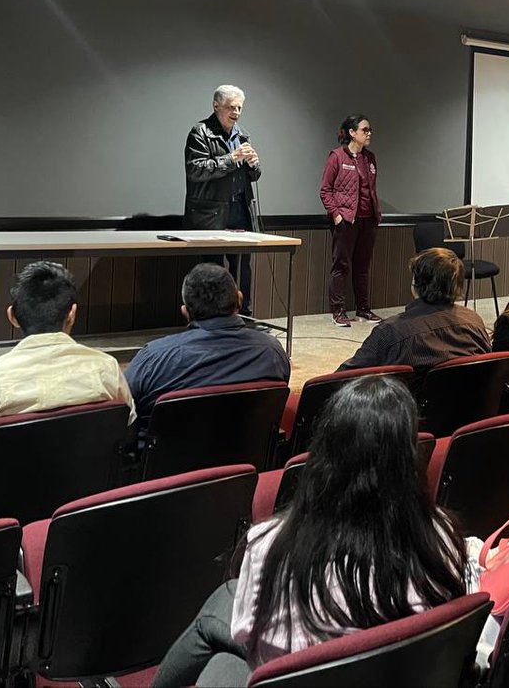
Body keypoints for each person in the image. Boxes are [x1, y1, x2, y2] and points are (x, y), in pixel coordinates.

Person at [153, 376, 481, 687]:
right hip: (388, 674)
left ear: (325, 454)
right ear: (410, 457)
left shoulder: (273, 546)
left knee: (220, 631)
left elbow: (247, 638)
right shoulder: (443, 538)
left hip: (297, 677)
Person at [0, 262, 135, 455]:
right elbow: (127, 430)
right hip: (94, 483)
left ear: (12, 316)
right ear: (72, 314)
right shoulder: (107, 370)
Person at [124, 264, 290, 430]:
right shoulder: (273, 352)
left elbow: (123, 412)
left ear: (186, 312)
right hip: (253, 454)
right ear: (239, 300)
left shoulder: (152, 359)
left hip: (168, 455)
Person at [339, 248, 489, 385]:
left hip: (407, 413)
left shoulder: (390, 331)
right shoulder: (474, 322)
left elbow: (341, 379)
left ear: (415, 284)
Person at [184, 85, 261, 315]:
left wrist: (254, 165)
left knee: (242, 269)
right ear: (216, 106)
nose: (236, 112)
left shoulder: (243, 134)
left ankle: (244, 316)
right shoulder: (200, 132)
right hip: (211, 215)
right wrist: (231, 158)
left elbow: (254, 176)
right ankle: (210, 318)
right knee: (212, 270)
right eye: (231, 107)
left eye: (240, 107)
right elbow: (195, 170)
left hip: (240, 210)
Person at [319, 115, 382, 327]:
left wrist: (375, 216)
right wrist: (337, 215)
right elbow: (325, 190)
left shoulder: (370, 158)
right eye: (365, 130)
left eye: (370, 130)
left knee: (362, 267)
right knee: (341, 266)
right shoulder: (337, 156)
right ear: (352, 133)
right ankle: (338, 311)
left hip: (368, 220)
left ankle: (363, 310)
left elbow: (371, 190)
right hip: (346, 221)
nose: (369, 133)